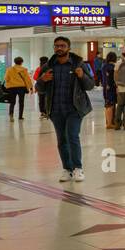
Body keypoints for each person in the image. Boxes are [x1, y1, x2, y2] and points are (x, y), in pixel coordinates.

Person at [39, 36, 95, 182]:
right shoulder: (48, 66)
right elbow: (38, 88)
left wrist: (82, 76)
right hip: (56, 109)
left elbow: (90, 86)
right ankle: (67, 169)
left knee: (72, 137)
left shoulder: (78, 64)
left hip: (74, 108)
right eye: (56, 46)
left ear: (68, 48)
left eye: (62, 46)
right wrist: (42, 80)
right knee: (61, 140)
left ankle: (78, 168)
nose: (59, 48)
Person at [3, 56, 34, 121]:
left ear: (15, 62)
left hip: (11, 88)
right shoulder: (24, 69)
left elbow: (6, 78)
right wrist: (31, 88)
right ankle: (20, 116)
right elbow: (27, 79)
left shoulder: (9, 69)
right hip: (21, 87)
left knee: (12, 102)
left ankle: (11, 115)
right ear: (21, 62)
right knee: (21, 102)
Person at [101, 51, 119, 129]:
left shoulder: (104, 66)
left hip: (105, 87)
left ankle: (109, 122)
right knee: (110, 105)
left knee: (108, 105)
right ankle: (109, 123)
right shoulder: (113, 67)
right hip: (111, 87)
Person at [34, 55, 51, 119]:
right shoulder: (50, 68)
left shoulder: (39, 69)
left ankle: (42, 112)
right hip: (49, 87)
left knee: (41, 100)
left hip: (41, 86)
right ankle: (47, 112)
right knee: (48, 99)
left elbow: (35, 77)